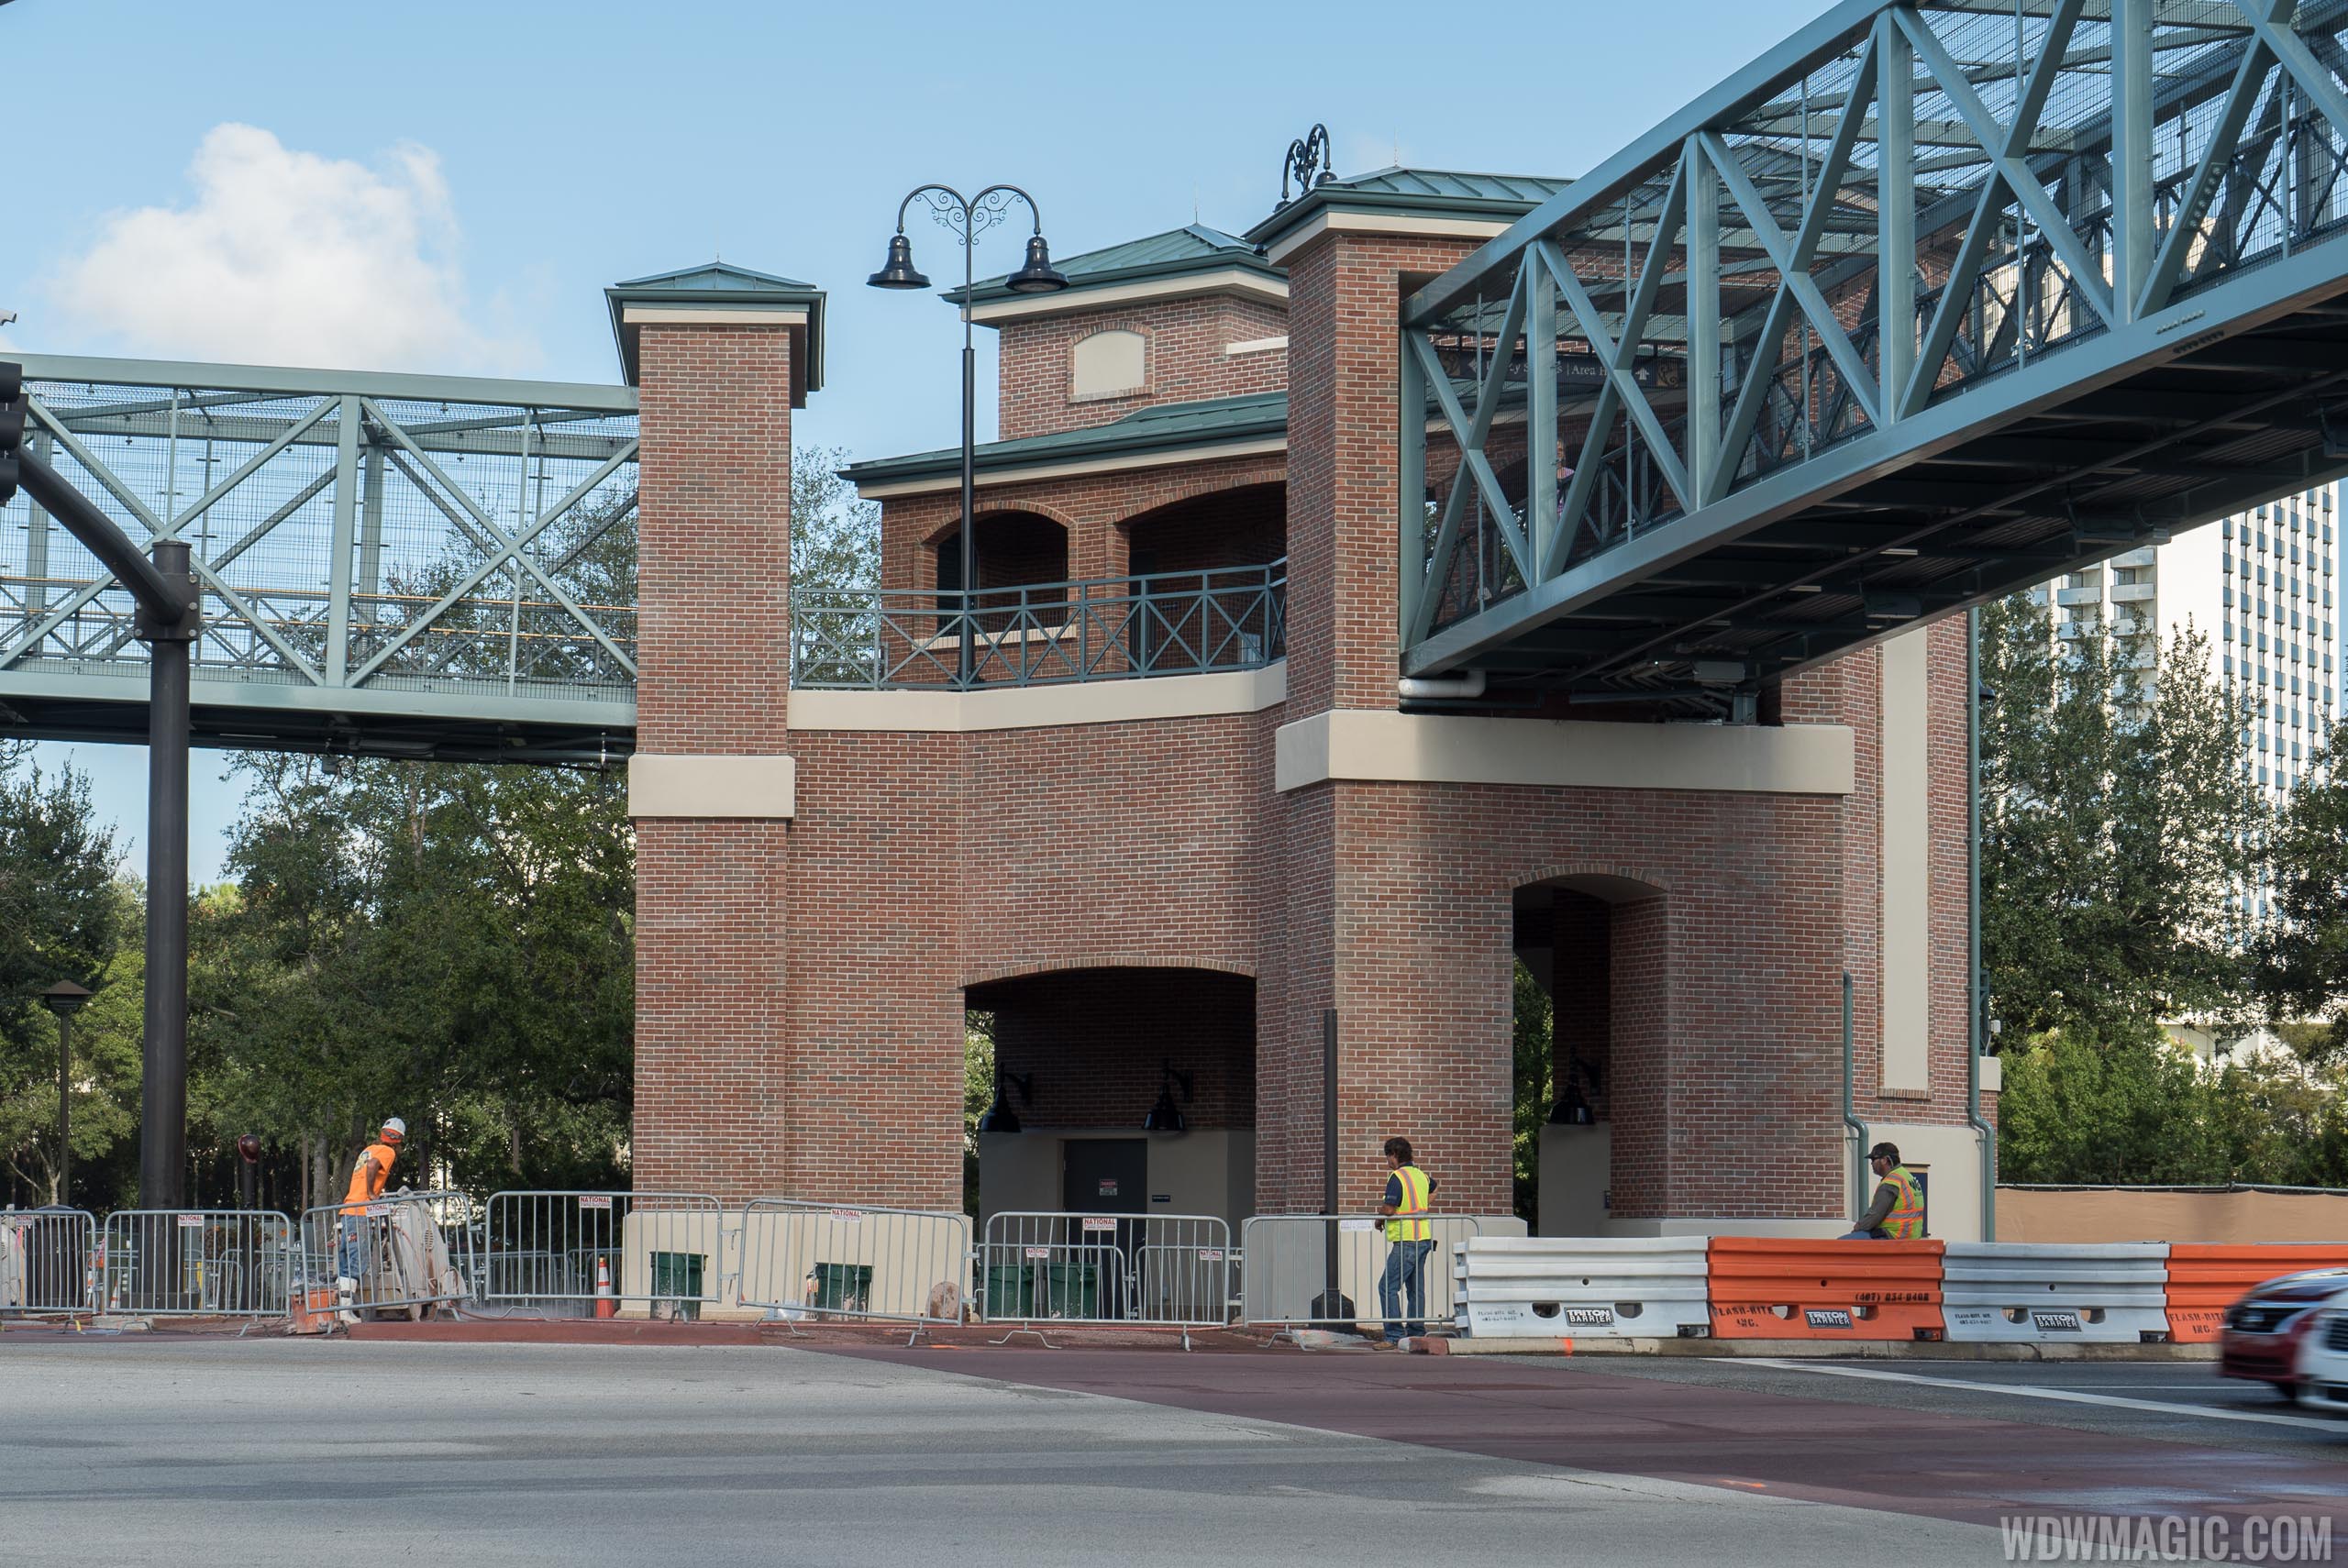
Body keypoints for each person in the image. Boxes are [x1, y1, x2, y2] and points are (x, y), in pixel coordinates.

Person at [1370, 1136, 1438, 1345]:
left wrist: (1379, 1219)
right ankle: (1416, 1332)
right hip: (1423, 1238)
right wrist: (1423, 1204)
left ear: (1394, 1155)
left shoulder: (1397, 1177)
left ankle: (1394, 1336)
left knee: (1387, 1287)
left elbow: (1389, 1208)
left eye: (1387, 1157)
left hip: (1407, 1239)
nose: (1387, 1162)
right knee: (1416, 1290)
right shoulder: (1421, 1175)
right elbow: (1435, 1188)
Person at [338, 1118, 406, 1321]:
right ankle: (345, 1312)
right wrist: (371, 1193)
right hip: (360, 1212)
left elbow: (369, 1165)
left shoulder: (369, 1149)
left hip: (348, 1210)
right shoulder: (387, 1152)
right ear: (399, 1139)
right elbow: (373, 1165)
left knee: (346, 1264)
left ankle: (343, 1310)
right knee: (357, 1262)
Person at [1841, 1141, 1925, 1240]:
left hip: (1893, 1235)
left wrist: (1858, 1227)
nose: (1871, 1163)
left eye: (1873, 1159)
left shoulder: (1891, 1181)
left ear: (1884, 1160)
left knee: (1842, 1242)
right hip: (1910, 1237)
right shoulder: (1907, 1176)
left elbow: (1875, 1215)